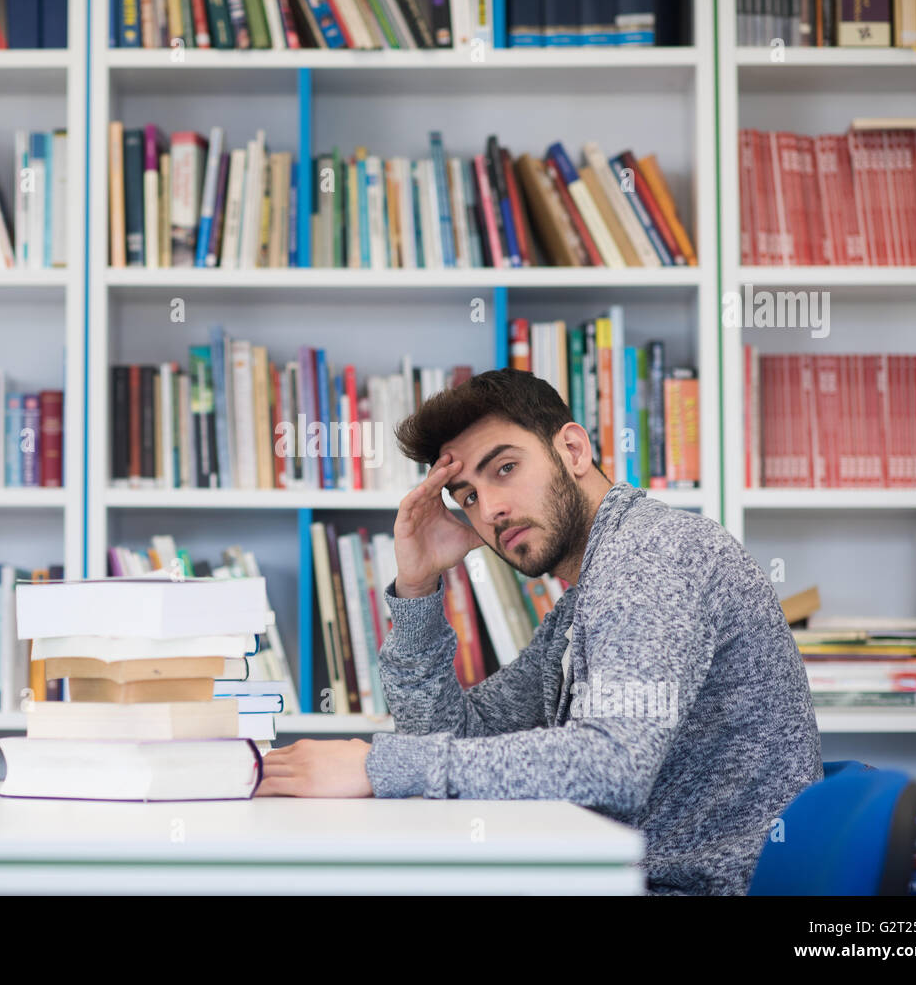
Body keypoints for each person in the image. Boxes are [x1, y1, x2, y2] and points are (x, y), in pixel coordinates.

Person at [256, 367, 822, 895]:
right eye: (469, 497)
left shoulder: (657, 553)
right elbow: (459, 731)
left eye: (505, 469)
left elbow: (613, 764)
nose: (492, 509)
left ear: (572, 450)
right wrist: (418, 585)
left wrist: (377, 768)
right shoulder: (586, 594)